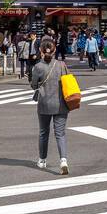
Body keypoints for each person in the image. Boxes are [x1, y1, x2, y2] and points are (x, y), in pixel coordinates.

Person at [30, 37, 72, 173]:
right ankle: (63, 160)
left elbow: (34, 85)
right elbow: (68, 80)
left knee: (43, 132)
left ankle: (42, 160)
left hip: (44, 103)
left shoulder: (38, 67)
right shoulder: (61, 65)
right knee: (60, 134)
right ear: (54, 52)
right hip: (61, 103)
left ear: (41, 51)